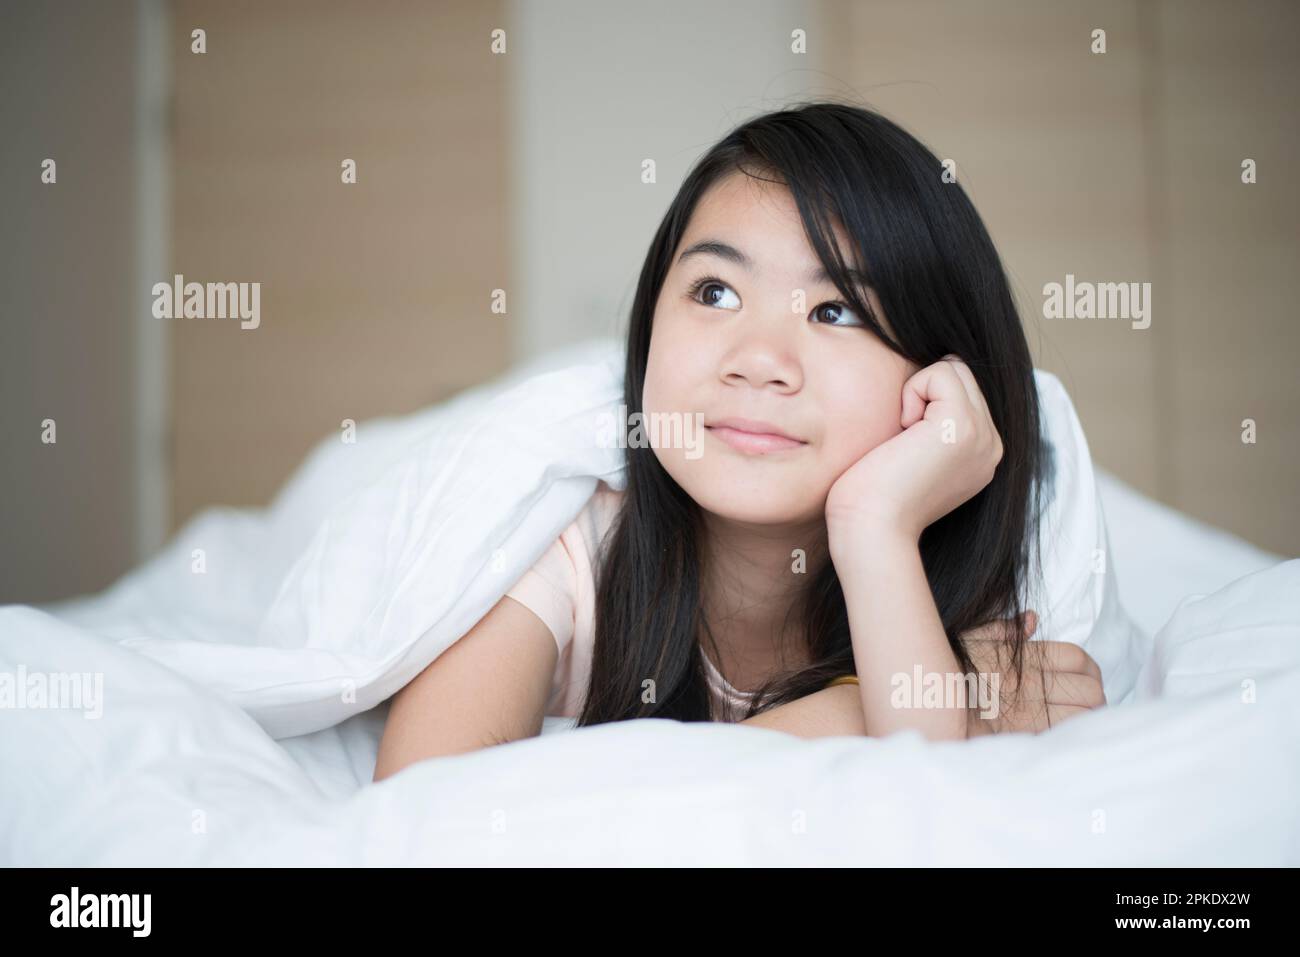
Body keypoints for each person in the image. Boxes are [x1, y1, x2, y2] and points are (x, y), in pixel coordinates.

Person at [373, 101, 1105, 782]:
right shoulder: (561, 538)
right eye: (715, 292)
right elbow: (428, 812)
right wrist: (887, 705)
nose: (759, 358)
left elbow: (927, 786)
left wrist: (876, 524)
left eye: (835, 310)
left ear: (939, 375)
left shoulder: (990, 567)